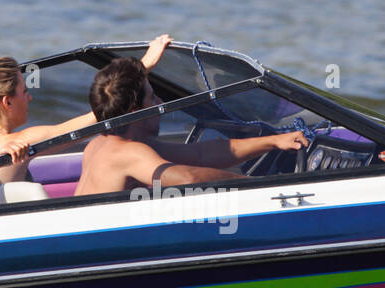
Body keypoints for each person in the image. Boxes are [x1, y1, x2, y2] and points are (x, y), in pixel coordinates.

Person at [0, 34, 174, 205]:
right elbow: (99, 117)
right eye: (25, 92)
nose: (30, 99)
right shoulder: (20, 141)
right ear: (7, 102)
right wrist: (142, 67)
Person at [74, 57, 307, 195]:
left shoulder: (103, 144)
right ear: (136, 111)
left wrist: (272, 141)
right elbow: (188, 179)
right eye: (153, 98)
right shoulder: (128, 153)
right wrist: (256, 186)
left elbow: (202, 154)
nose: (160, 103)